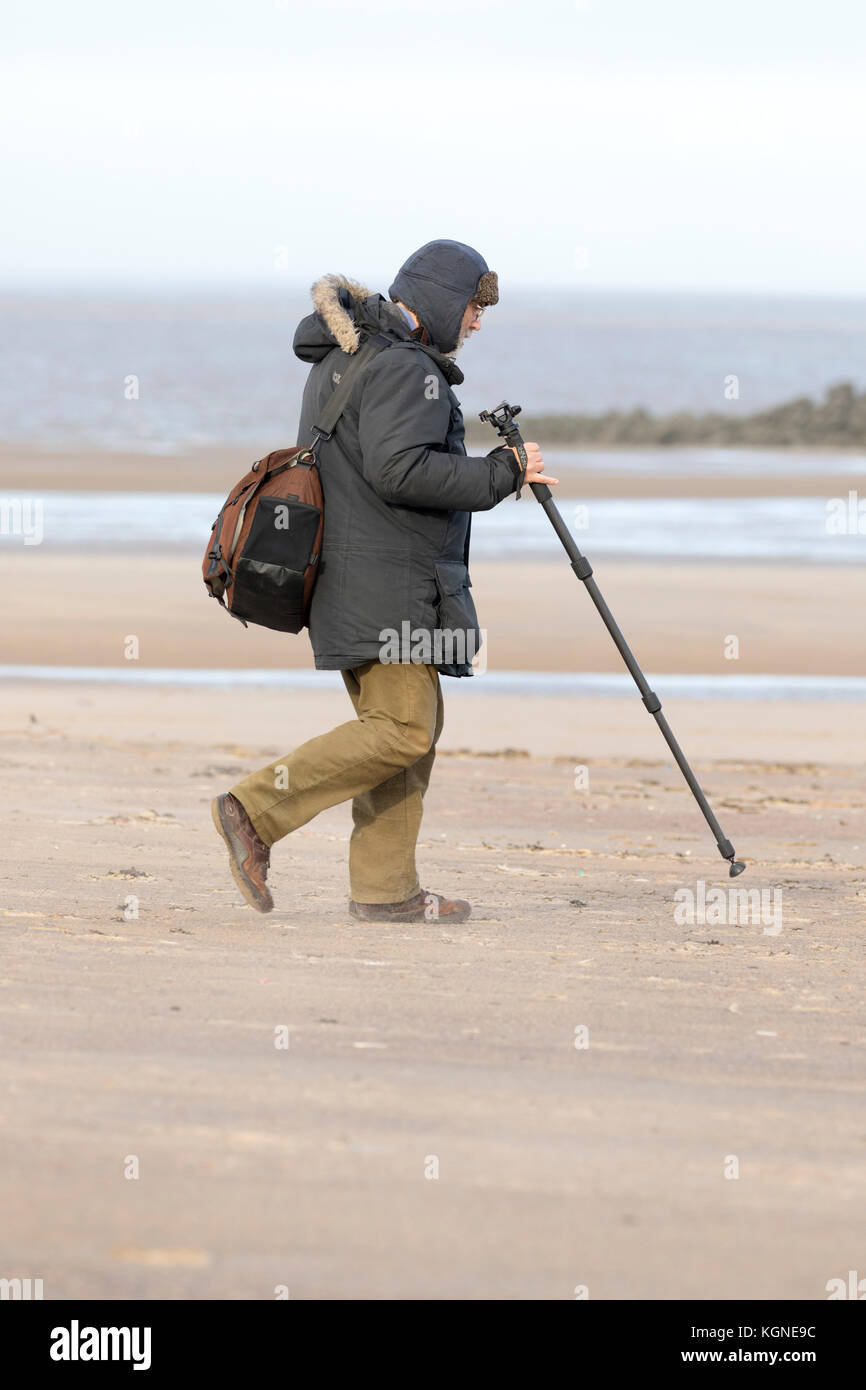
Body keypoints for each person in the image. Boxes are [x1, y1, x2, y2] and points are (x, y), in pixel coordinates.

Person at [212, 239, 557, 922]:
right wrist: (503, 472)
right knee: (403, 728)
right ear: (437, 300)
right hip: (383, 581)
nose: (479, 323)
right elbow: (400, 471)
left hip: (349, 576)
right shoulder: (404, 369)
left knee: (406, 725)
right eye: (473, 307)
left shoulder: (347, 356)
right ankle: (254, 808)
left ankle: (385, 889)